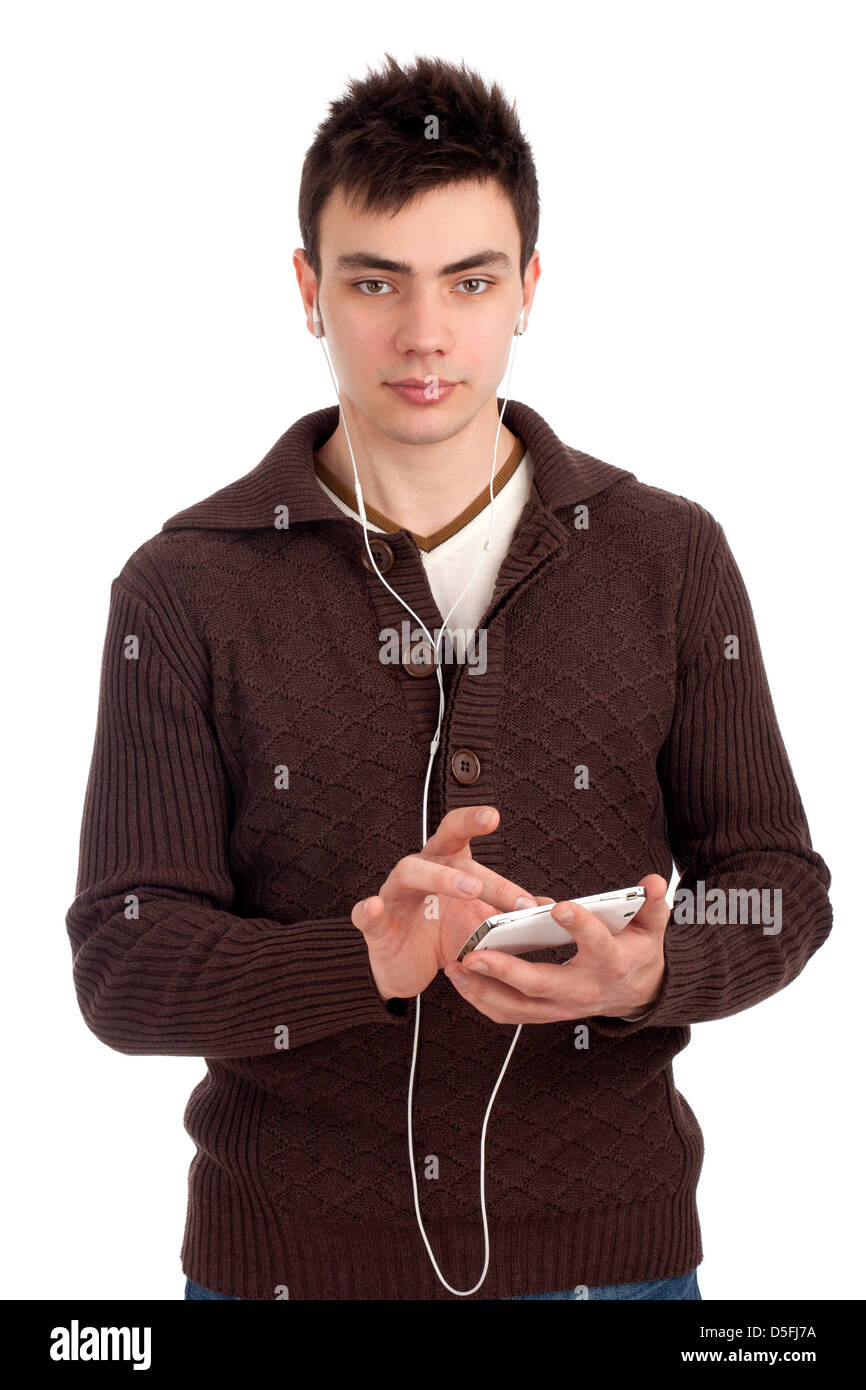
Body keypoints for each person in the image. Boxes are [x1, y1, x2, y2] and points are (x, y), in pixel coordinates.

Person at [65, 53, 832, 1302]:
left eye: (469, 282)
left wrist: (653, 970)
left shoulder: (665, 555)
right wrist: (361, 958)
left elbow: (776, 887)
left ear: (527, 288)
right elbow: (124, 960)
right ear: (309, 290)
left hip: (614, 1269)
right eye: (376, 281)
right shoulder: (183, 585)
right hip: (284, 1275)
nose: (424, 336)